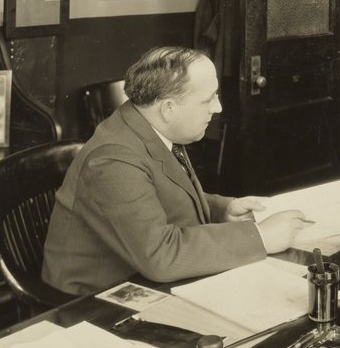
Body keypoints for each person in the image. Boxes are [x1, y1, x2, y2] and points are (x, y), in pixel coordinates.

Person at [42, 46, 309, 295]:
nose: (218, 108)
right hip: (92, 303)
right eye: (209, 100)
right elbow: (161, 255)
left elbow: (156, 196)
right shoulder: (114, 159)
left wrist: (220, 210)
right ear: (168, 108)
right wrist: (261, 237)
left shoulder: (147, 125)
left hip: (140, 277)